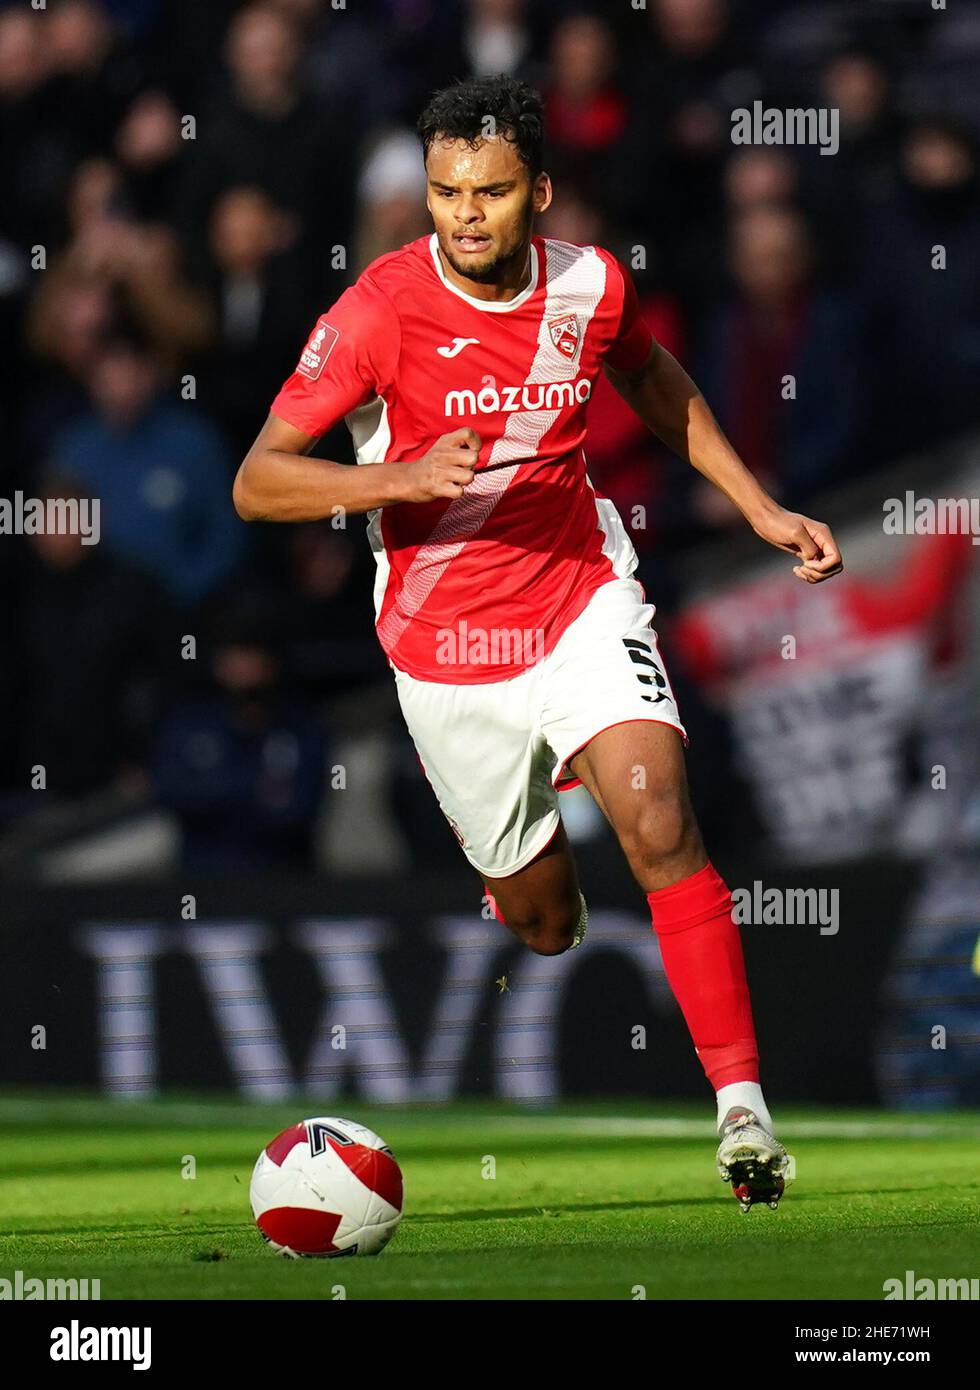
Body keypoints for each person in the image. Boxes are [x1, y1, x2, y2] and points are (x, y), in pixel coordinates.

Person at [232, 74, 843, 1211]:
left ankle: (742, 1115)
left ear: (539, 193)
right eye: (444, 191)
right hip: (441, 646)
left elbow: (656, 387)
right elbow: (257, 479)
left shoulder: (591, 285)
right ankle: (541, 884)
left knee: (655, 807)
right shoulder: (374, 311)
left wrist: (759, 509)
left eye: (491, 191)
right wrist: (397, 476)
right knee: (544, 922)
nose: (464, 213)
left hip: (578, 593)